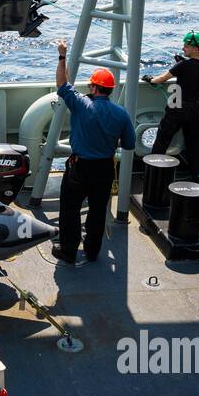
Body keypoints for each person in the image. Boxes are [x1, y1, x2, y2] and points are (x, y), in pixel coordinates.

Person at [53, 40, 136, 265]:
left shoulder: (81, 104)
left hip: (79, 167)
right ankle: (92, 252)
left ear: (93, 87)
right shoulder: (121, 114)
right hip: (104, 168)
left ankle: (68, 251)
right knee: (98, 211)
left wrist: (63, 55)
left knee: (69, 209)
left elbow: (62, 83)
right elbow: (129, 144)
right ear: (109, 90)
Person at [149, 30, 199, 179]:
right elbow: (193, 68)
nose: (183, 48)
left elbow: (160, 79)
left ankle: (153, 174)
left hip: (177, 109)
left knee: (162, 141)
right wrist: (182, 62)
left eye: (186, 46)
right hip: (195, 110)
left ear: (196, 48)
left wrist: (150, 79)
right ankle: (198, 176)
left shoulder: (183, 66)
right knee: (194, 144)